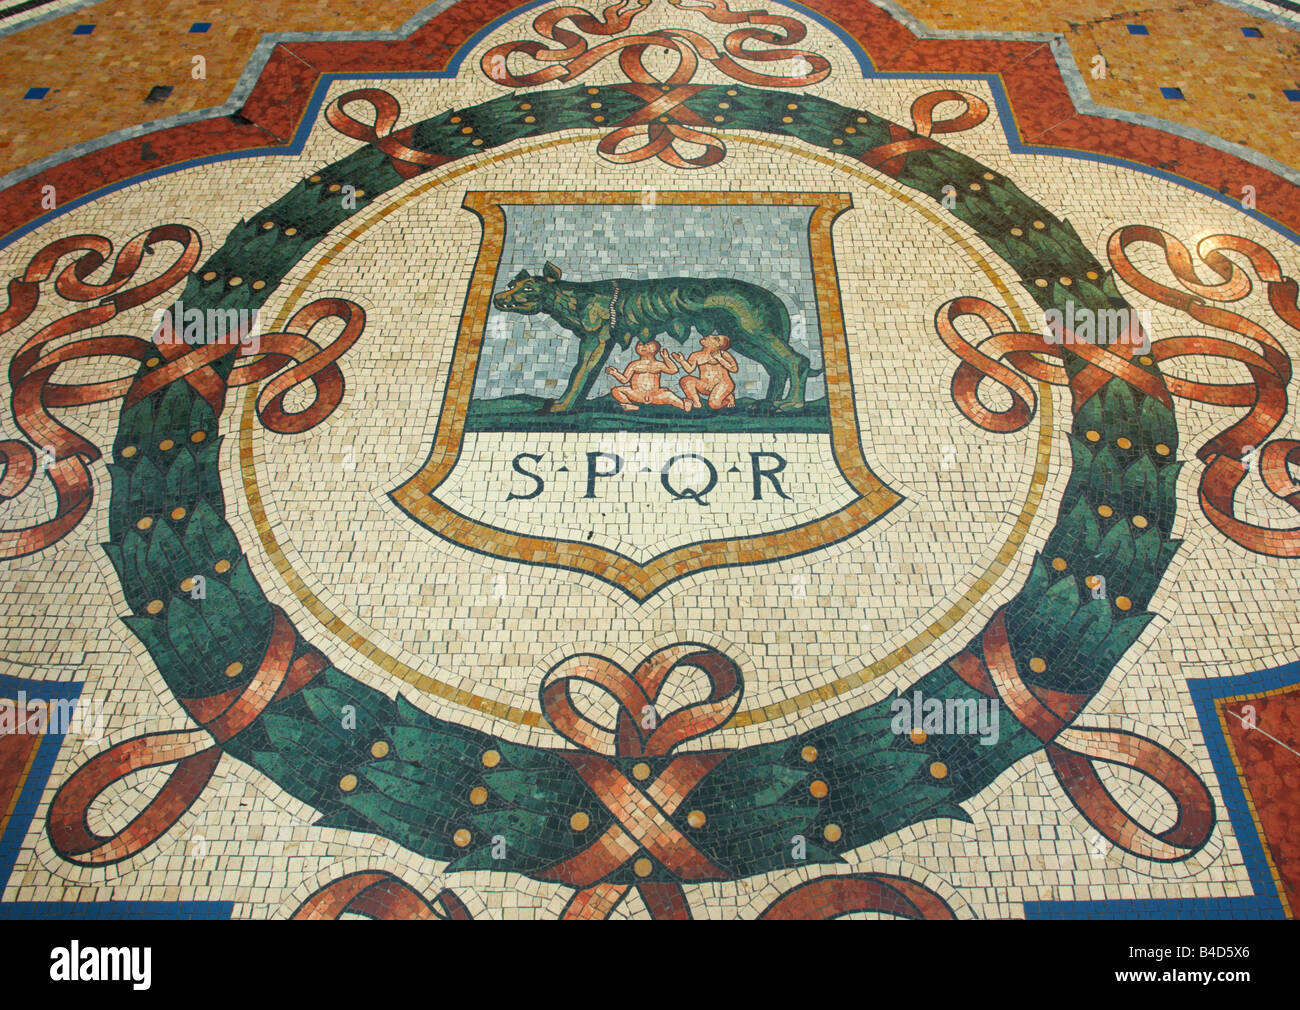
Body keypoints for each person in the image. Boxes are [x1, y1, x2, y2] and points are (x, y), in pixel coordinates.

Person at [605, 340, 687, 410]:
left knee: (668, 395)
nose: (643, 346)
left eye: (647, 344)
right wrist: (614, 373)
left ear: (656, 349)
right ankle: (630, 404)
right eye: (640, 344)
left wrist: (666, 358)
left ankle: (684, 406)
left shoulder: (658, 364)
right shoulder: (634, 364)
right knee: (616, 390)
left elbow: (673, 370)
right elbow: (624, 380)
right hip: (636, 394)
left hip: (654, 395)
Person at [673, 333, 737, 410]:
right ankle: (696, 403)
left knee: (714, 404)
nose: (710, 336)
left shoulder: (723, 354)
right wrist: (682, 361)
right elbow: (689, 370)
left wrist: (720, 359)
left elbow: (734, 369)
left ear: (718, 345)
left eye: (715, 338)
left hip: (723, 385)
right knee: (685, 380)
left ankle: (728, 398)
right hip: (705, 385)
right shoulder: (696, 355)